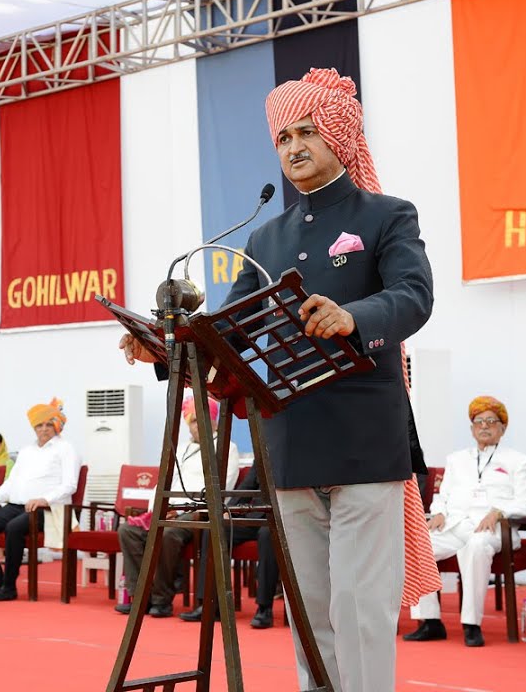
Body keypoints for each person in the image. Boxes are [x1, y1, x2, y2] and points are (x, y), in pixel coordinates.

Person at [119, 67, 439, 691]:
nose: (294, 147)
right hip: (288, 445)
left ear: (337, 136)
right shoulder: (265, 237)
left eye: (307, 132)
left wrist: (353, 316)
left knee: (360, 609)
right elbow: (228, 336)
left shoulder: (386, 215)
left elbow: (414, 296)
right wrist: (164, 349)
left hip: (365, 445)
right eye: (283, 137)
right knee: (310, 611)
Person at [403, 396, 526, 647]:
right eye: (478, 421)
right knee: (418, 546)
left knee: (474, 546)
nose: (484, 426)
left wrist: (499, 511)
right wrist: (439, 511)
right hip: (455, 525)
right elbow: (443, 495)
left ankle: (471, 624)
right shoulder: (456, 459)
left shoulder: (519, 461)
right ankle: (430, 621)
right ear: (471, 428)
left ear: (503, 428)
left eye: (491, 421)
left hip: (494, 529)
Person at [115, 394, 239, 618]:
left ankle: (162, 600)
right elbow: (162, 483)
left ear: (213, 420)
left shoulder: (227, 447)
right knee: (128, 531)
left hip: (199, 513)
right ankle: (140, 598)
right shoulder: (180, 449)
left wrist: (180, 510)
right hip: (170, 510)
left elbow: (222, 487)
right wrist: (158, 509)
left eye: (202, 418)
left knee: (168, 533)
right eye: (193, 420)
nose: (197, 425)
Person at [0, 398, 80, 602]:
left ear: (57, 425)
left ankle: (9, 586)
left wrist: (43, 499)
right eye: (40, 425)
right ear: (34, 427)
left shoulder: (66, 449)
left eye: (49, 424)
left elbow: (69, 485)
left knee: (14, 527)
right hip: (16, 506)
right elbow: (12, 482)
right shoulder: (27, 451)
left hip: (47, 509)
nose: (44, 429)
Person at [178, 459, 280, 628]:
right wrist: (228, 510)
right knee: (216, 531)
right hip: (254, 516)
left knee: (267, 535)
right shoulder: (264, 450)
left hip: (280, 519)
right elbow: (246, 487)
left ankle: (264, 608)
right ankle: (210, 605)